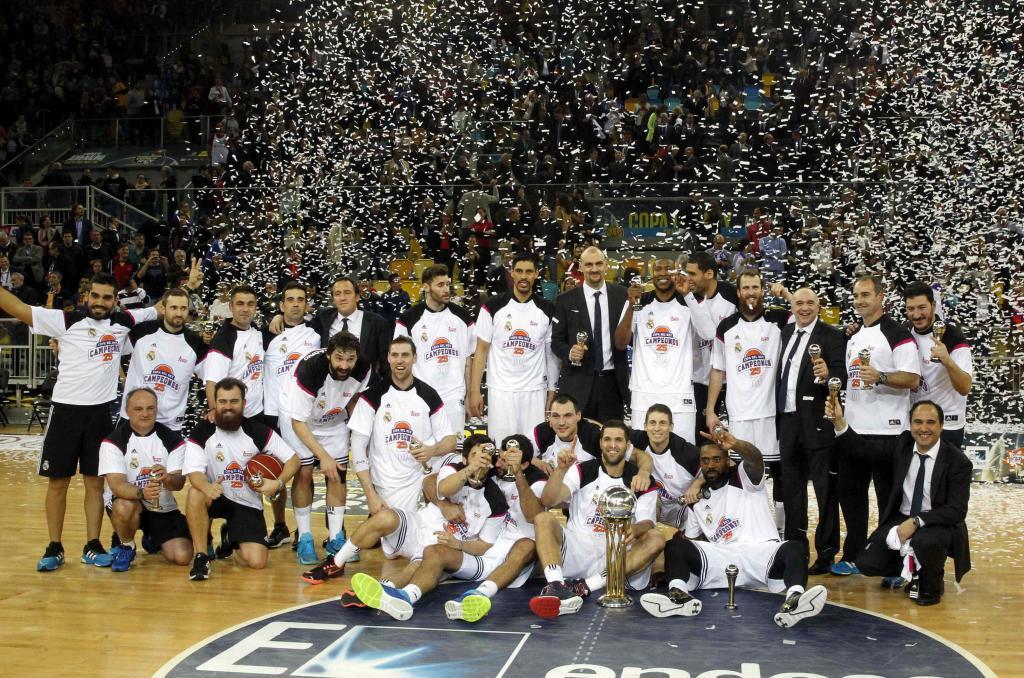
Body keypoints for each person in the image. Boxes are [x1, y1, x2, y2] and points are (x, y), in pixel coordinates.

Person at [0, 272, 158, 571]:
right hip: (65, 413)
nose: (100, 302)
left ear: (115, 300)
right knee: (58, 483)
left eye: (107, 297)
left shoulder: (123, 323)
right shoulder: (65, 320)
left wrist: (190, 286)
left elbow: (160, 309)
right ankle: (55, 546)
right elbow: (18, 309)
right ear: (87, 296)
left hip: (100, 414)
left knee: (95, 484)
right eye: (95, 296)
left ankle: (92, 544)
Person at [301, 336, 458, 584]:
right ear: (388, 358)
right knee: (393, 551)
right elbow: (359, 451)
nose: (400, 360)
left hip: (422, 482)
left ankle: (352, 567)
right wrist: (371, 496)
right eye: (395, 355)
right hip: (388, 486)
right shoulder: (371, 397)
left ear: (414, 358)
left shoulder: (428, 394)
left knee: (445, 475)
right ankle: (365, 562)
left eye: (405, 355)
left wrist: (431, 450)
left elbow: (451, 440)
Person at [639, 428, 828, 628]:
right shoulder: (697, 502)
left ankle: (795, 600)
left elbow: (755, 459)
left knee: (795, 547)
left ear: (727, 460)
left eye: (716, 459)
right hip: (723, 559)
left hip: (762, 553)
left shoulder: (743, 479)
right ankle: (678, 596)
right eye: (705, 460)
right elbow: (694, 545)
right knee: (677, 546)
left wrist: (735, 444)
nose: (710, 465)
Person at [345, 434, 516, 620]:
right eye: (475, 454)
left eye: (485, 456)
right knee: (419, 560)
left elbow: (485, 546)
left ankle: (401, 595)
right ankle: (386, 590)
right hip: (438, 539)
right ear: (465, 458)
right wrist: (466, 475)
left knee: (431, 555)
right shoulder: (454, 470)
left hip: (466, 552)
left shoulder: (495, 498)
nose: (481, 459)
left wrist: (456, 544)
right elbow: (438, 487)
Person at [826, 398, 971, 606]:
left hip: (937, 523)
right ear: (910, 424)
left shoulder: (958, 462)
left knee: (925, 542)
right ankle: (907, 568)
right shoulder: (903, 444)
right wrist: (839, 422)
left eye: (930, 422)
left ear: (941, 425)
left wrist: (916, 522)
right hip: (901, 517)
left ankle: (932, 581)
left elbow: (956, 511)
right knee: (867, 563)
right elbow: (864, 450)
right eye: (918, 422)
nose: (923, 428)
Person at [529, 420, 665, 619]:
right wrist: (560, 470)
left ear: (627, 446)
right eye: (607, 439)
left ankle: (586, 587)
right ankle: (557, 585)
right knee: (543, 518)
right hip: (578, 549)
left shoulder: (641, 479)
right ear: (600, 443)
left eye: (618, 440)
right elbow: (549, 500)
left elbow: (648, 522)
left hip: (618, 557)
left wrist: (636, 529)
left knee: (656, 538)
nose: (612, 445)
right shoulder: (583, 470)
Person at [834, 275, 920, 577]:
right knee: (852, 500)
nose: (859, 300)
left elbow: (912, 379)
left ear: (881, 297)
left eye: (866, 295)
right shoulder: (854, 336)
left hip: (890, 433)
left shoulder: (898, 334)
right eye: (856, 295)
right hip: (854, 431)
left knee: (890, 504)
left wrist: (881, 377)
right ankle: (855, 555)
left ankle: (892, 563)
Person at [183, 378, 300, 581]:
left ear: (244, 403)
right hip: (215, 495)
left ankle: (230, 537)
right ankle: (201, 556)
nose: (228, 407)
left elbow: (293, 459)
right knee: (195, 493)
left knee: (257, 562)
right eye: (223, 401)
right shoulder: (202, 431)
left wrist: (277, 483)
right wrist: (206, 486)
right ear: (215, 402)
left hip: (245, 501)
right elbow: (194, 473)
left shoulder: (258, 431)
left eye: (234, 401)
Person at [705, 269, 789, 529]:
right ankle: (746, 526)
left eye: (756, 287)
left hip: (772, 413)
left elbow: (808, 312)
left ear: (762, 290)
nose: (751, 292)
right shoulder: (727, 327)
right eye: (746, 288)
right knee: (743, 474)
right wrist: (710, 410)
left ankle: (779, 529)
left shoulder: (778, 319)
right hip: (739, 413)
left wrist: (786, 293)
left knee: (779, 475)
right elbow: (718, 370)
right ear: (738, 292)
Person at [772, 286, 847, 574]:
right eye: (799, 303)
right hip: (788, 422)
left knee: (825, 492)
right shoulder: (786, 333)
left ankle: (826, 554)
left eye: (810, 303)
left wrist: (830, 375)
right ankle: (795, 549)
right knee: (792, 491)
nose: (804, 308)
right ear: (793, 305)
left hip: (818, 423)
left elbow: (843, 374)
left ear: (819, 306)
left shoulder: (831, 335)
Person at [279, 332, 370, 565]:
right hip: (299, 419)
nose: (344, 365)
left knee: (338, 475)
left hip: (333, 419)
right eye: (339, 358)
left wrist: (351, 420)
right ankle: (305, 538)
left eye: (350, 359)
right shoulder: (311, 370)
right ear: (329, 354)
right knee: (305, 472)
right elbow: (297, 422)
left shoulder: (364, 367)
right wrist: (323, 456)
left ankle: (335, 537)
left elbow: (355, 397)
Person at [443, 434, 549, 623]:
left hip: (522, 550)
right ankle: (399, 590)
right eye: (499, 457)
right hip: (487, 545)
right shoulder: (492, 470)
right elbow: (432, 482)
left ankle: (479, 595)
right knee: (435, 553)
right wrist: (443, 505)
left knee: (526, 545)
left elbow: (533, 516)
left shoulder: (538, 480)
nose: (498, 464)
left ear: (524, 464)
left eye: (506, 461)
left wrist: (518, 475)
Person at [468, 252, 558, 446]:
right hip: (501, 391)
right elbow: (481, 350)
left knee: (533, 449)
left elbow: (551, 355)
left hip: (535, 391)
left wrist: (552, 392)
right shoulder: (491, 307)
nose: (524, 276)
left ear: (536, 274)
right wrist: (475, 391)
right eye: (519, 271)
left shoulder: (547, 309)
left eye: (528, 271)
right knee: (501, 449)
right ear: (512, 273)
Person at [99, 388, 191, 571]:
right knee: (123, 506)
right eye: (138, 409)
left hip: (163, 508)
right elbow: (116, 485)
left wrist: (168, 479)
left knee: (182, 557)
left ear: (157, 409)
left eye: (150, 408)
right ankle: (127, 545)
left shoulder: (173, 440)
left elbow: (179, 485)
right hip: (131, 503)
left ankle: (152, 538)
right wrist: (142, 492)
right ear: (127, 411)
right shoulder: (113, 441)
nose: (145, 413)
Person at [615, 257, 698, 442]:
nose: (662, 273)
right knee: (640, 452)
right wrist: (630, 305)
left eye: (667, 268)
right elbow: (621, 343)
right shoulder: (639, 302)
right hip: (643, 392)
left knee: (684, 452)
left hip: (680, 392)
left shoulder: (687, 302)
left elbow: (708, 334)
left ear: (676, 273)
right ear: (651, 275)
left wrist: (689, 296)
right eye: (657, 269)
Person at [394, 265, 476, 437]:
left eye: (447, 284)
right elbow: (399, 362)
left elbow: (469, 361)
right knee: (423, 453)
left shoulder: (464, 317)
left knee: (453, 452)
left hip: (454, 396)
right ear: (426, 287)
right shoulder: (408, 319)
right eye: (440, 285)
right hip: (421, 395)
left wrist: (468, 396)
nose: (446, 289)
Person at [551, 246, 630, 422]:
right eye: (588, 264)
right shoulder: (565, 300)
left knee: (611, 442)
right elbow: (556, 341)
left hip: (613, 384)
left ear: (606, 265)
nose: (594, 269)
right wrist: (570, 353)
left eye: (598, 263)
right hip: (577, 383)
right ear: (580, 267)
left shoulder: (623, 295)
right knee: (578, 442)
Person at [121, 286, 208, 431]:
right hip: (132, 419)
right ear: (163, 309)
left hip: (170, 425)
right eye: (173, 307)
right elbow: (119, 327)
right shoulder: (142, 332)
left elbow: (211, 376)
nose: (179, 313)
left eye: (183, 308)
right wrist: (151, 312)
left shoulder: (195, 342)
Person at [903, 281, 973, 448]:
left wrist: (948, 361)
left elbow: (965, 387)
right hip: (914, 423)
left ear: (933, 306)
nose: (916, 314)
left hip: (947, 425)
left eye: (922, 307)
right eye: (910, 309)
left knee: (944, 475)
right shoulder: (903, 333)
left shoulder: (953, 336)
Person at [684, 251, 738, 445]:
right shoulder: (687, 297)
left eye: (692, 274)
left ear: (708, 274)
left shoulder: (731, 295)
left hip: (729, 382)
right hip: (697, 380)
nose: (687, 279)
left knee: (731, 438)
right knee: (700, 439)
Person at [305, 275, 393, 383]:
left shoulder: (378, 323)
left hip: (362, 387)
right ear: (333, 299)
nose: (342, 298)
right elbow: (303, 332)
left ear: (357, 296)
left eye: (347, 292)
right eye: (337, 294)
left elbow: (386, 363)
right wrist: (279, 317)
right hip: (327, 387)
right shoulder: (323, 317)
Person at [628, 404, 703, 528]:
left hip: (681, 514)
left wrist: (697, 484)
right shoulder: (637, 439)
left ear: (671, 427)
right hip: (650, 511)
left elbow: (715, 472)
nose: (657, 428)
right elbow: (607, 430)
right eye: (652, 423)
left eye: (662, 423)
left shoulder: (686, 452)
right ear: (645, 426)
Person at [205, 285, 265, 421]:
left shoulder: (257, 331)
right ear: (231, 307)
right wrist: (214, 411)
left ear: (255, 307)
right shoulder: (224, 338)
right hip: (233, 416)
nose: (245, 309)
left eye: (250, 304)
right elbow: (212, 382)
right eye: (240, 304)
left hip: (257, 414)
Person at [531, 393, 603, 468]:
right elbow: (518, 449)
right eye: (556, 416)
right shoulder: (542, 431)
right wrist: (539, 463)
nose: (561, 423)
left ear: (578, 416)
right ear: (550, 418)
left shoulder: (594, 435)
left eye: (567, 415)